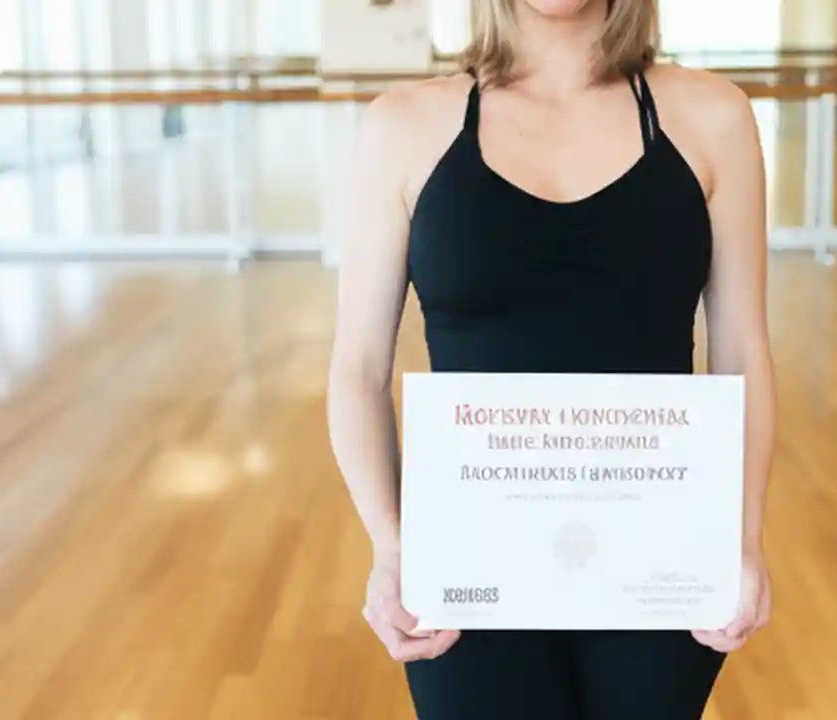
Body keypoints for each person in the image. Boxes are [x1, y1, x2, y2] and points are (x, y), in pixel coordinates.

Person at [327, 1, 775, 717]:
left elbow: (743, 352)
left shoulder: (714, 117)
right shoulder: (404, 127)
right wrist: (392, 544)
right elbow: (355, 369)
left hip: (658, 559)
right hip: (468, 568)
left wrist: (742, 540)